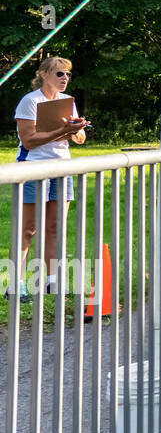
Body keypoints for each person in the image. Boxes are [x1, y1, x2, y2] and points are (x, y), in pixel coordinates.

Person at [13, 56, 89, 301]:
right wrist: (60, 131)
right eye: (59, 73)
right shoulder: (30, 101)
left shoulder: (68, 102)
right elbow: (28, 140)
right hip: (33, 168)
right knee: (28, 229)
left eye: (67, 74)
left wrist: (76, 129)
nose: (65, 78)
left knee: (55, 226)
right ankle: (16, 284)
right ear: (44, 74)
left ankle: (52, 281)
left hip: (61, 169)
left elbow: (79, 140)